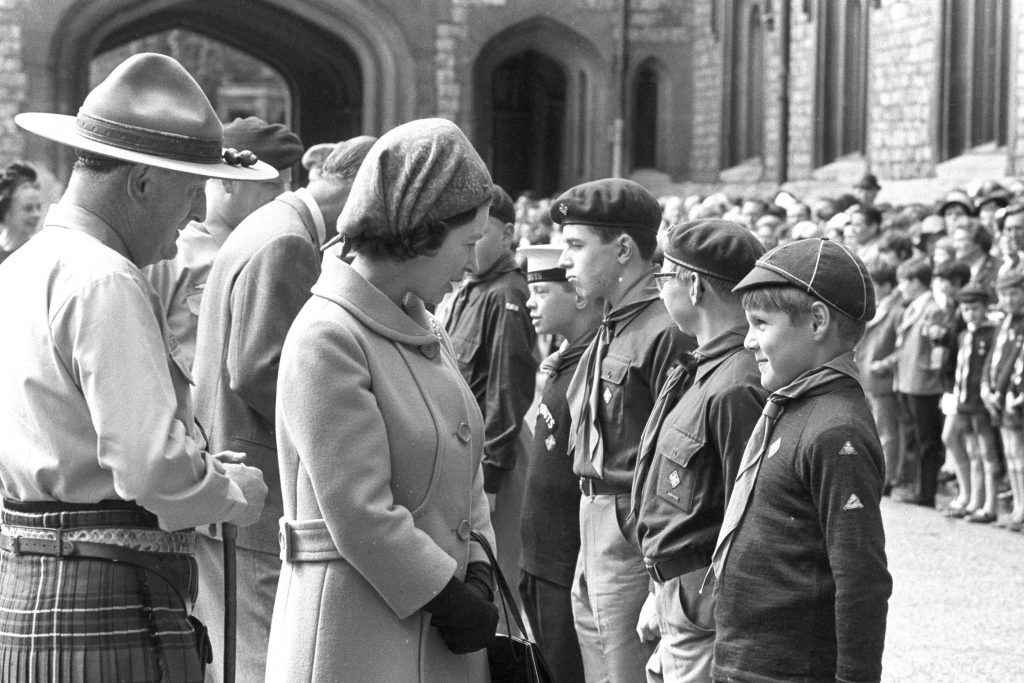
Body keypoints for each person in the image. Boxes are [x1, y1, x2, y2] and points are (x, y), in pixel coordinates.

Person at [0, 52, 268, 682]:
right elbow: (151, 470)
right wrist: (227, 494)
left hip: (33, 586)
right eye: (189, 189)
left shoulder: (21, 268)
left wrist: (196, 470)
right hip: (109, 596)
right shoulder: (105, 279)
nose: (199, 211)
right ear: (142, 184)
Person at [265, 118, 499, 681]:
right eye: (467, 244)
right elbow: (358, 509)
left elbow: (466, 470)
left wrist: (480, 573)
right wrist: (450, 594)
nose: (472, 264)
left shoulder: (422, 326)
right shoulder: (328, 336)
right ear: (423, 232)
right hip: (357, 639)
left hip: (434, 634)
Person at [190, 134, 375, 681]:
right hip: (257, 492)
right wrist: (335, 426)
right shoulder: (288, 241)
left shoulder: (273, 223)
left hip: (234, 482)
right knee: (256, 661)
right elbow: (258, 371)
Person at [711, 237, 892, 682]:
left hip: (788, 669)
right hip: (748, 661)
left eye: (760, 323)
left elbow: (861, 578)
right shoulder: (794, 404)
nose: (749, 341)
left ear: (816, 321)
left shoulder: (836, 429)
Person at [554, 178, 696, 683]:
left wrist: (662, 567)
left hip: (630, 520)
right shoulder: (614, 319)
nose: (563, 261)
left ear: (622, 249)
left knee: (628, 672)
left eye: (575, 246)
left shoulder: (666, 328)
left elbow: (676, 460)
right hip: (593, 512)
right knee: (601, 668)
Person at [631, 219, 767, 682]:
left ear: (693, 285)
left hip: (702, 600)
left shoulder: (736, 384)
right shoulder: (705, 366)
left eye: (665, 276)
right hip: (676, 589)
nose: (660, 288)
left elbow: (745, 521)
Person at [144, 116, 303, 367]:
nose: (285, 198)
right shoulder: (171, 253)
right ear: (229, 182)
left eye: (288, 186)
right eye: (274, 186)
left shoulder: (274, 253)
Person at [442, 183, 537, 593]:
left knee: (492, 583)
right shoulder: (474, 288)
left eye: (483, 236)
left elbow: (507, 389)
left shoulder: (506, 295)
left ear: (508, 235)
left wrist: (493, 476)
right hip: (467, 459)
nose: (474, 247)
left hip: (491, 462)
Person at [517, 244, 601, 683]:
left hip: (565, 557)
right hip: (541, 554)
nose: (531, 301)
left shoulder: (593, 363)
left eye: (544, 291)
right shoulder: (564, 361)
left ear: (580, 295)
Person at [881, 257, 947, 508]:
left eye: (905, 282)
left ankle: (925, 490)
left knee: (926, 440)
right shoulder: (913, 306)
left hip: (923, 382)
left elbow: (937, 349)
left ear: (917, 282)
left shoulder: (933, 309)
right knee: (913, 438)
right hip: (907, 380)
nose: (901, 288)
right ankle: (914, 485)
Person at [945, 284, 999, 521]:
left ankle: (990, 505)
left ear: (985, 308)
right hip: (964, 403)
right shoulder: (963, 335)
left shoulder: (991, 334)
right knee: (973, 452)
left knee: (988, 454)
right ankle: (975, 500)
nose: (970, 314)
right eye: (966, 309)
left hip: (980, 404)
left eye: (975, 309)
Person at [857, 258, 904, 495]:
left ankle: (888, 476)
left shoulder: (897, 310)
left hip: (882, 377)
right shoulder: (877, 306)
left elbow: (902, 348)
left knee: (887, 431)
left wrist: (885, 364)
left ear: (886, 285)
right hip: (866, 376)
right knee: (873, 429)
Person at [982, 270, 1024, 532]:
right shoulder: (1005, 322)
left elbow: (1015, 363)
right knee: (1010, 454)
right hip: (998, 396)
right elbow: (993, 359)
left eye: (1014, 293)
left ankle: (1021, 508)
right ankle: (1018, 505)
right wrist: (986, 386)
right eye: (1004, 294)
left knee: (1019, 455)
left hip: (1013, 398)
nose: (1008, 299)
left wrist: (1005, 390)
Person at [0, 161, 43, 264]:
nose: (37, 214)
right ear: (7, 211)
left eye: (38, 207)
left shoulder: (40, 254)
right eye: (28, 208)